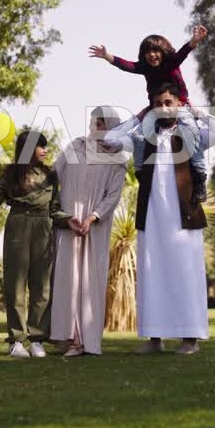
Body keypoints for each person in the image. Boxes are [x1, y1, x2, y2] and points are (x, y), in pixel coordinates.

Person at [104, 82, 215, 355]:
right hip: (152, 218)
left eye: (168, 103)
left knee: (186, 274)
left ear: (177, 104)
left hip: (185, 216)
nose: (163, 108)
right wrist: (138, 117)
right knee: (152, 275)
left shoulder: (192, 134)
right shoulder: (142, 138)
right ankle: (154, 338)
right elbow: (111, 140)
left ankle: (190, 338)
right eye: (158, 103)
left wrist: (195, 111)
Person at [0, 130, 71, 359]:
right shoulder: (11, 173)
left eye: (45, 146)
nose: (45, 150)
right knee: (16, 285)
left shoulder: (51, 174)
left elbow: (54, 208)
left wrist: (70, 220)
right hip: (18, 225)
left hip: (44, 227)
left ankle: (37, 340)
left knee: (42, 287)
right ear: (28, 149)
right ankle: (16, 341)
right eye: (40, 146)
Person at [89, 25, 210, 203]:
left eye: (156, 51)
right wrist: (107, 56)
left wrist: (194, 41)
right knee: (138, 136)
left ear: (163, 52)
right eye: (148, 52)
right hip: (154, 110)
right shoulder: (145, 68)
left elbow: (182, 53)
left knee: (192, 133)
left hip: (181, 106)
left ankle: (200, 178)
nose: (152, 55)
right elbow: (127, 65)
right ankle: (141, 173)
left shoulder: (171, 63)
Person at [49, 107, 128, 357]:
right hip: (69, 222)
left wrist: (93, 217)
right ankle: (68, 337)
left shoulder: (118, 160)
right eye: (95, 122)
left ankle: (86, 340)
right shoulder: (76, 147)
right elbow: (52, 175)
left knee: (89, 279)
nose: (97, 128)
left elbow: (113, 196)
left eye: (104, 124)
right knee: (67, 278)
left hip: (96, 226)